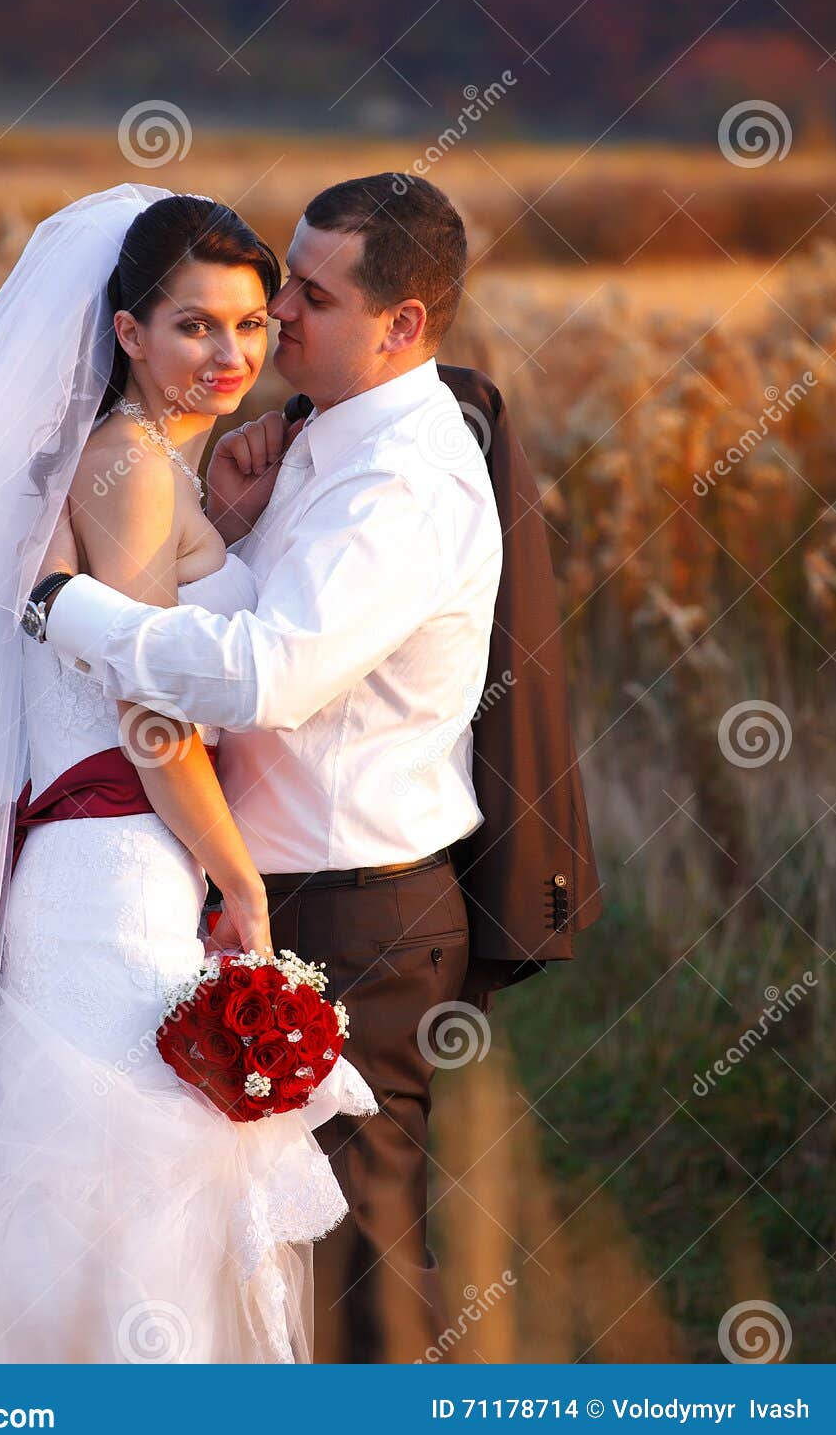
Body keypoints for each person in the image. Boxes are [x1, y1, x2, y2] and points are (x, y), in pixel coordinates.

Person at [0, 184, 375, 1365]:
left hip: (103, 867)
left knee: (105, 1188)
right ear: (126, 334)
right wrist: (241, 884)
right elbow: (152, 725)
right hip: (115, 876)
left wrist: (226, 527)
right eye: (194, 324)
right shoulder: (131, 469)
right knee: (122, 1191)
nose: (231, 352)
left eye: (252, 325)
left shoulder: (133, 464)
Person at [35, 173, 504, 1364]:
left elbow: (263, 675)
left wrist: (63, 607)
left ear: (400, 323)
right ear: (132, 333)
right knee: (266, 1253)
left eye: (305, 293)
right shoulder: (309, 441)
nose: (275, 316)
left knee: (355, 1259)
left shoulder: (399, 479)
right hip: (235, 877)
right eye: (267, 288)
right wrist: (227, 529)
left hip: (352, 904)